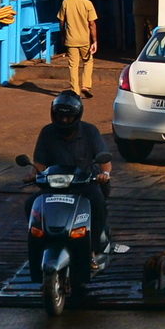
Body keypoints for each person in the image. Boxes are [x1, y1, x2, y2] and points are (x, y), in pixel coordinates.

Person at [30, 90, 113, 262]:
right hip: (55, 185)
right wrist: (33, 175)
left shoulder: (90, 131)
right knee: (31, 204)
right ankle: (40, 246)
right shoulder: (47, 132)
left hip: (84, 185)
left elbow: (105, 160)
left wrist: (104, 174)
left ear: (77, 116)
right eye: (61, 117)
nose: (65, 121)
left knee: (96, 202)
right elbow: (39, 163)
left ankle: (93, 248)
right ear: (54, 115)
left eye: (69, 117)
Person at [58, 0, 99, 97]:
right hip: (84, 39)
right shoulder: (88, 4)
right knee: (88, 61)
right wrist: (94, 41)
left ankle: (75, 91)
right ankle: (86, 85)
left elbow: (61, 21)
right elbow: (92, 24)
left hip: (71, 39)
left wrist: (62, 34)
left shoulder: (66, 2)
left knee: (73, 65)